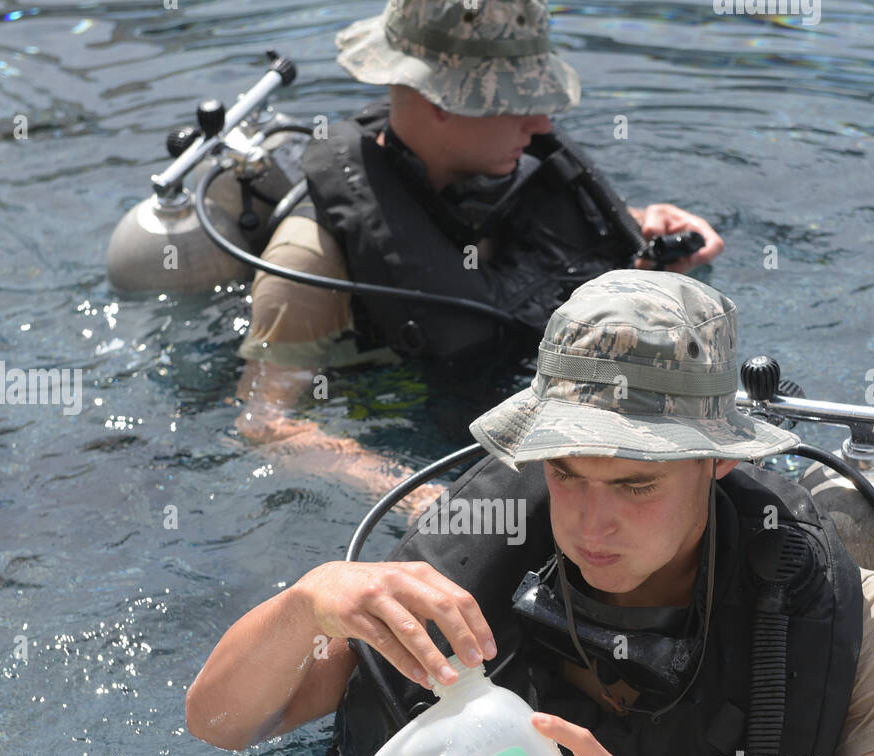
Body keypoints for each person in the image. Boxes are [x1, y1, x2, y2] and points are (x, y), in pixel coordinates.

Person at [190, 270, 874, 756]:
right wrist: (306, 603)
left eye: (635, 486)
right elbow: (222, 722)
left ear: (720, 460)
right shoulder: (463, 574)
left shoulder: (857, 620)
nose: (592, 525)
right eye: (566, 475)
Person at [234, 0, 724, 506]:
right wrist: (417, 497)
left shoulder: (502, 176)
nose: (539, 124)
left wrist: (644, 224)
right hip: (392, 405)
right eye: (516, 102)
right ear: (442, 101)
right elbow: (263, 424)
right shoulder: (308, 265)